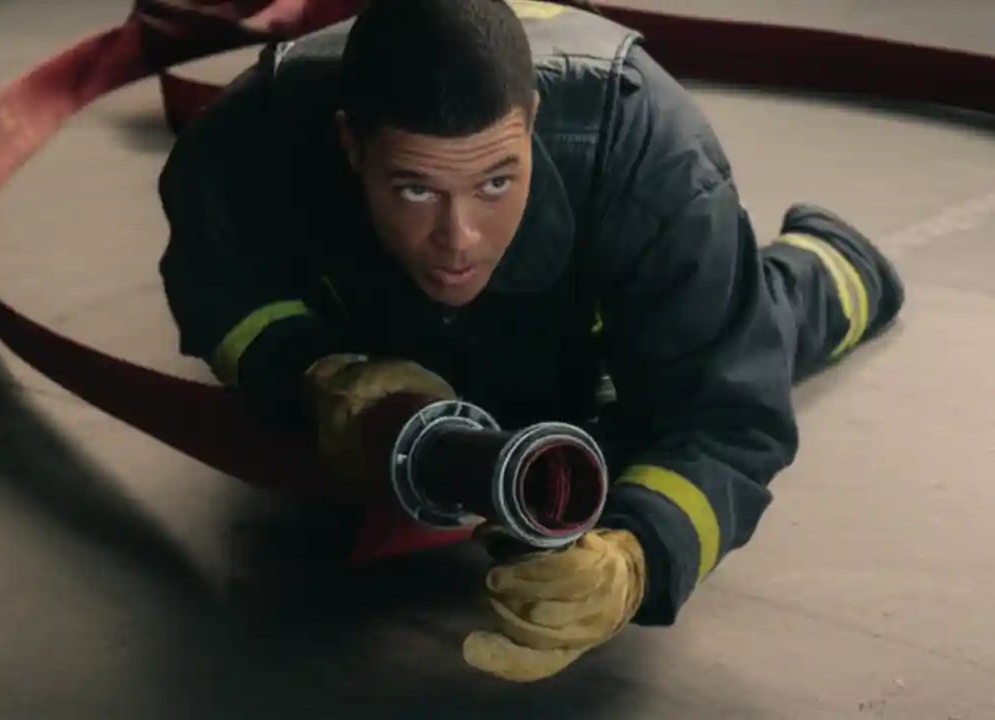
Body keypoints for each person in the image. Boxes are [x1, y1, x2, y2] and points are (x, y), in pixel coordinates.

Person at [156, 0, 904, 683]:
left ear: (534, 119)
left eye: (494, 182)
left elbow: (725, 415)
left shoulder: (649, 156)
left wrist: (637, 556)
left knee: (746, 336)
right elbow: (222, 294)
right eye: (415, 188)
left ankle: (838, 262)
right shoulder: (254, 133)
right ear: (350, 143)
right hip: (374, 318)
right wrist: (315, 371)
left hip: (585, 327)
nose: (458, 239)